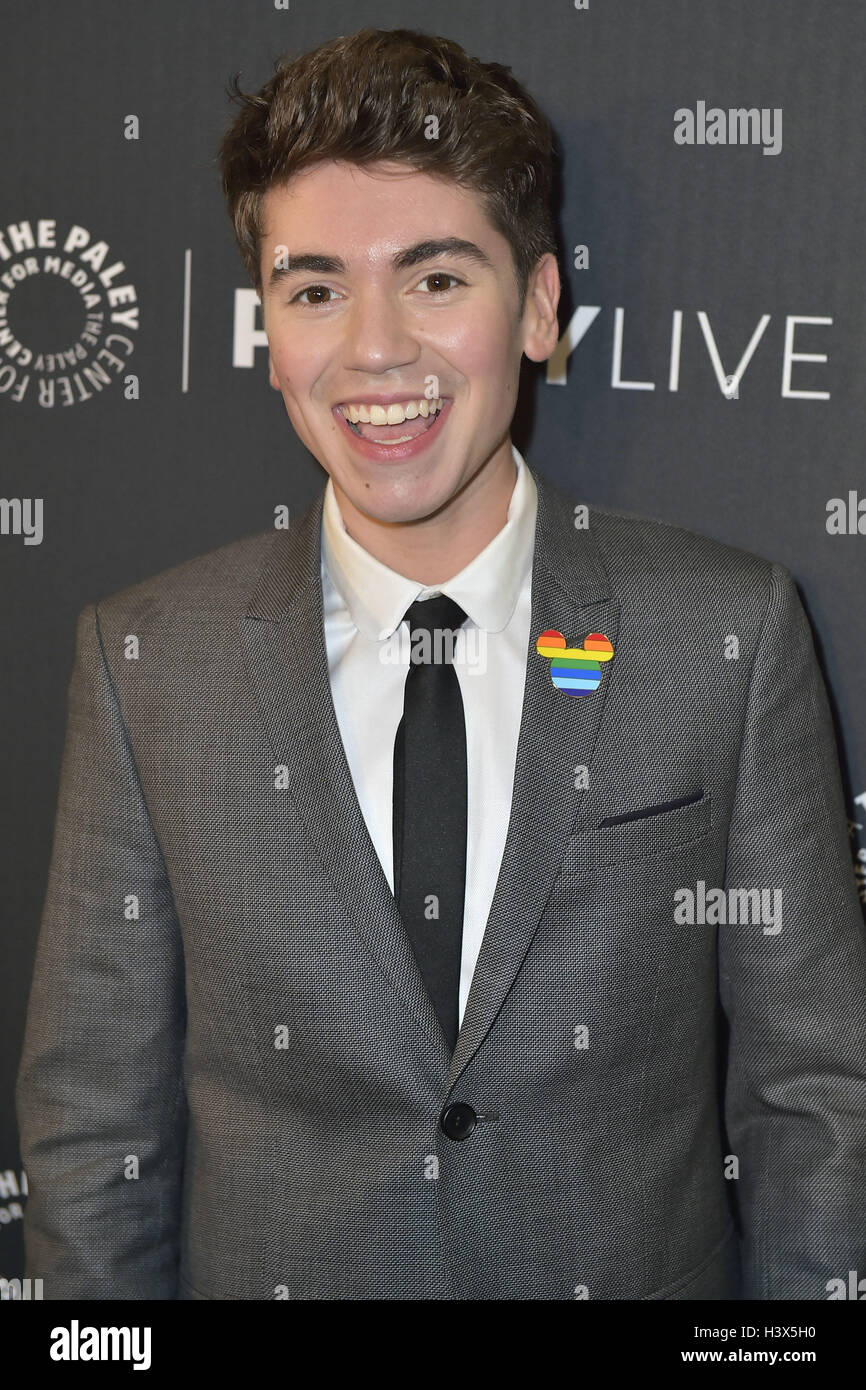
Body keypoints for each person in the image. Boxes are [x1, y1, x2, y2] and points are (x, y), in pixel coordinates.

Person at [16, 26, 866, 1301]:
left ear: (534, 305)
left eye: (432, 278)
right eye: (314, 289)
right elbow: (95, 1129)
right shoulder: (147, 662)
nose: (371, 351)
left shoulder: (724, 635)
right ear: (269, 328)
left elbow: (815, 1103)